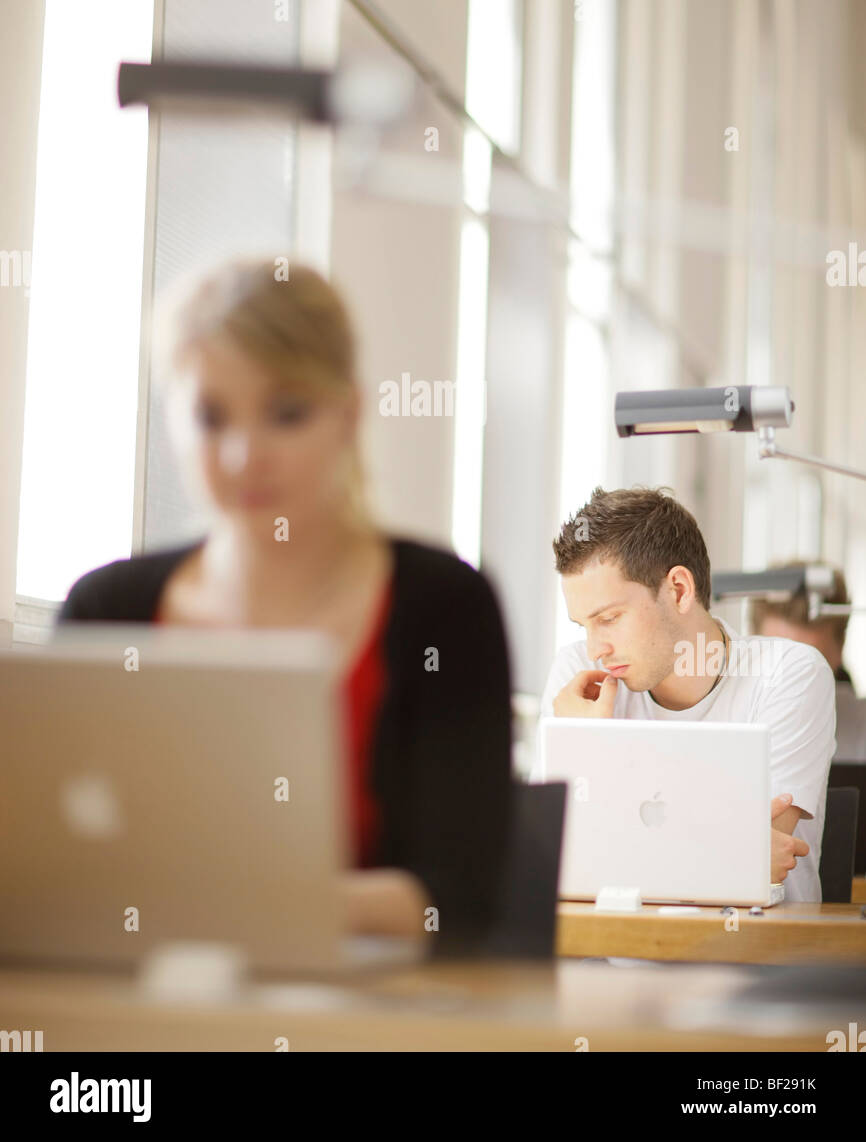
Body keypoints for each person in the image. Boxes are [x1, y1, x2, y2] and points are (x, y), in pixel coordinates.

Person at [57, 256, 513, 955]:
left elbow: (459, 897)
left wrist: (240, 905)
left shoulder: (443, 607)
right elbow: (53, 863)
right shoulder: (105, 611)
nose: (244, 456)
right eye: (211, 417)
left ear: (349, 413)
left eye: (286, 413)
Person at [533, 486, 836, 901]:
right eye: (583, 625)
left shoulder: (788, 675)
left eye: (609, 618)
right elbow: (547, 864)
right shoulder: (579, 674)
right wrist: (588, 750)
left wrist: (606, 834)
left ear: (678, 590)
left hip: (754, 959)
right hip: (603, 958)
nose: (594, 649)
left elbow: (762, 861)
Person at [751, 562, 866, 763]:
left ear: (839, 651)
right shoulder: (725, 725)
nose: (792, 683)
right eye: (780, 662)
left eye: (809, 667)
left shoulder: (861, 728)